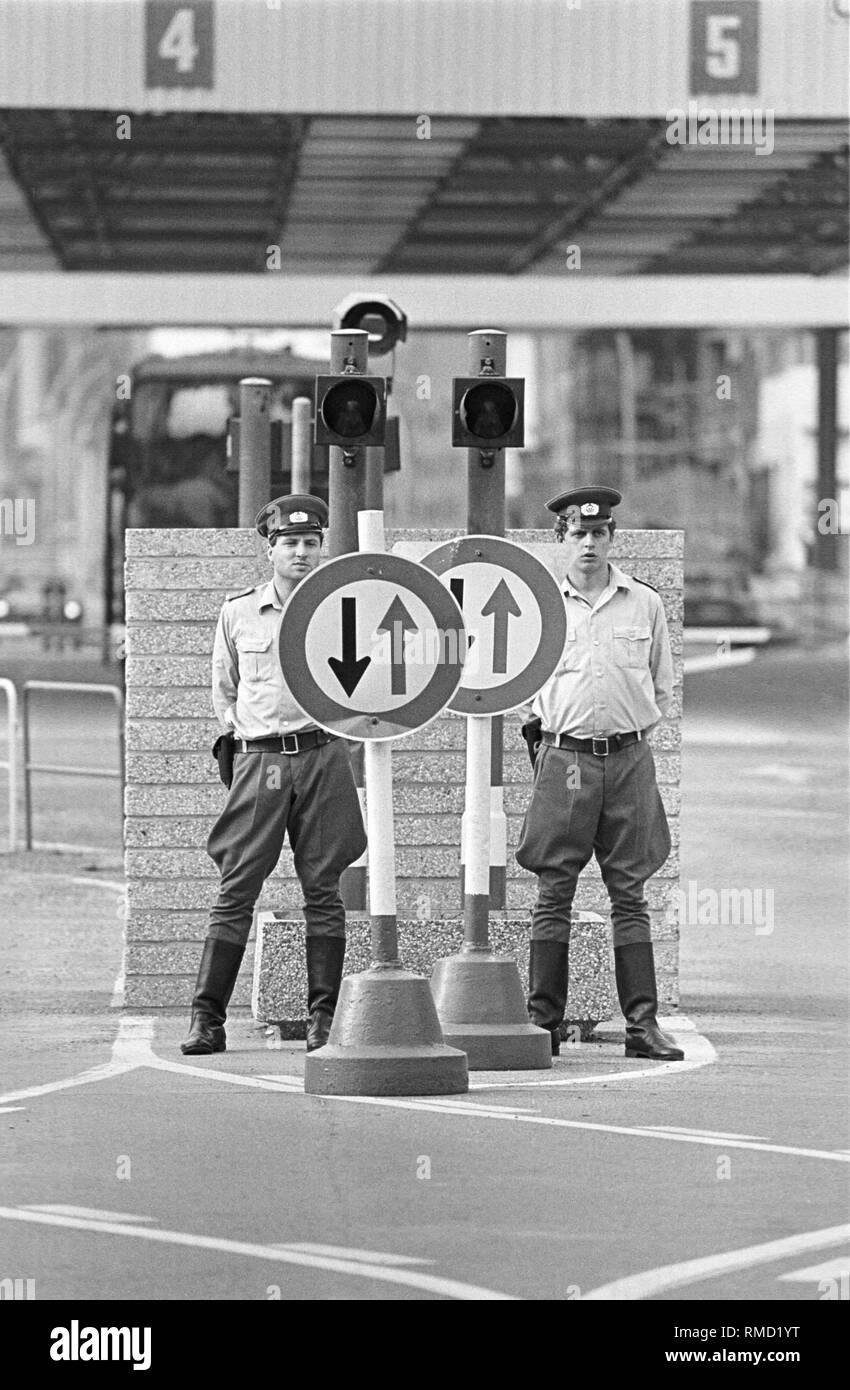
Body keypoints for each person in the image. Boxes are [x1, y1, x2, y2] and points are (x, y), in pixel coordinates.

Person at [180, 494, 367, 1057]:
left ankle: (322, 1019)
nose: (302, 553)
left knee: (324, 889)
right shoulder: (239, 611)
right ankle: (207, 1019)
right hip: (261, 758)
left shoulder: (342, 608)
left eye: (312, 543)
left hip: (321, 754)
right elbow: (226, 690)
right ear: (271, 550)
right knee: (236, 887)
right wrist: (247, 740)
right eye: (291, 544)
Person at [515, 485, 684, 1061]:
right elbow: (524, 688)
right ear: (560, 539)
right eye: (577, 533)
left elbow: (660, 685)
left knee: (630, 892)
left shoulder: (644, 603)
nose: (588, 542)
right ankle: (544, 1024)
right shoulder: (540, 606)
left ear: (612, 538)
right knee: (553, 890)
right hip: (565, 759)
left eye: (598, 533)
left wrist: (629, 733)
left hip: (629, 758)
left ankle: (643, 1025)